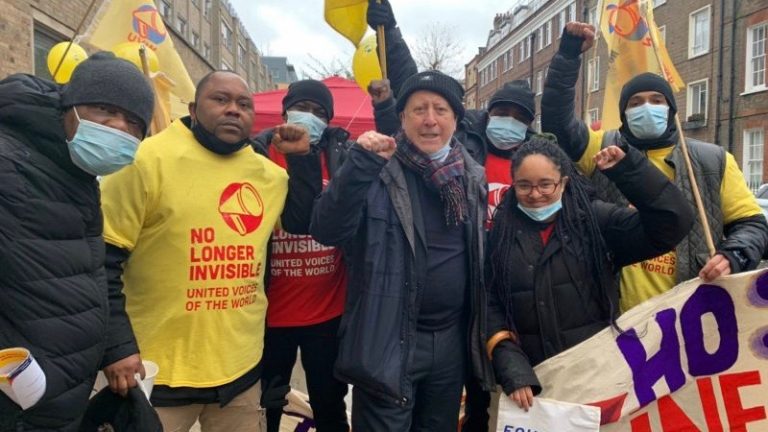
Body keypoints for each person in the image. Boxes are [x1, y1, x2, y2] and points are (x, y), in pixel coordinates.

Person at [99, 70, 316, 432]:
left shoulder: (269, 176)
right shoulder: (145, 161)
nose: (234, 110)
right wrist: (117, 347)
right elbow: (100, 264)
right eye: (220, 99)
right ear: (193, 109)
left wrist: (302, 159)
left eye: (243, 104)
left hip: (241, 373)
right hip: (154, 372)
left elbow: (302, 222)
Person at [310, 70, 494, 431]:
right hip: (388, 339)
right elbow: (326, 230)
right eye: (418, 109)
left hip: (451, 342)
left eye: (440, 109)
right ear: (402, 118)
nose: (429, 120)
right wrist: (360, 165)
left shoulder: (471, 176)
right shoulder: (374, 166)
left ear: (455, 119)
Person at [542, 22, 768, 311]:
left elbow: (752, 225)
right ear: (624, 113)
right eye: (635, 103)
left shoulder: (714, 160)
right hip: (612, 320)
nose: (646, 107)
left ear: (671, 110)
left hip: (687, 317)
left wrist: (733, 255)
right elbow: (558, 124)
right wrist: (569, 55)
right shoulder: (601, 148)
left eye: (656, 100)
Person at [0, 52, 154, 431]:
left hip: (54, 400)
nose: (118, 127)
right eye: (104, 109)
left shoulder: (75, 175)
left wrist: (115, 347)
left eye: (134, 122)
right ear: (68, 105)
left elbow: (87, 270)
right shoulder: (10, 164)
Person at [486, 135, 694, 410]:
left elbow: (673, 222)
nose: (535, 194)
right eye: (524, 185)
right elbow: (489, 305)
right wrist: (511, 367)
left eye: (546, 184)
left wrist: (630, 170)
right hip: (531, 386)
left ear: (564, 182)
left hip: (597, 377)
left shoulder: (596, 222)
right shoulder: (499, 234)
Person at [253, 79, 352, 432]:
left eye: (319, 112)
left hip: (327, 312)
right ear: (285, 112)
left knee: (330, 403)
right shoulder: (258, 155)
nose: (309, 116)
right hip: (270, 313)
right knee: (266, 406)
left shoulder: (340, 156)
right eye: (303, 108)